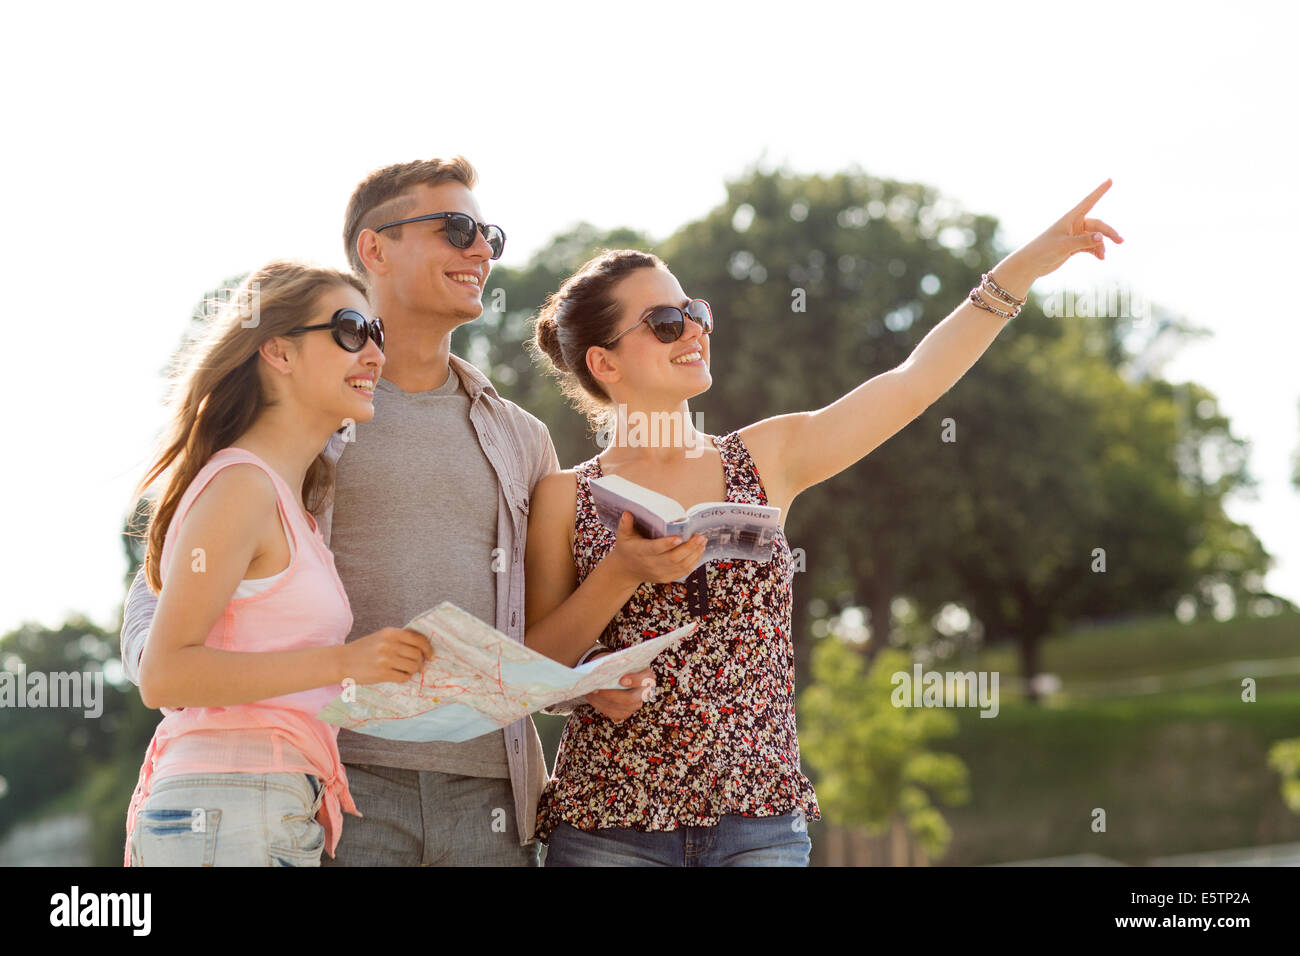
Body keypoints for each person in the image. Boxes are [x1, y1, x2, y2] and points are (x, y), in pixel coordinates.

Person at [525, 180, 1123, 866]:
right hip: (609, 827)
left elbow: (913, 381)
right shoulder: (562, 496)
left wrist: (1023, 268)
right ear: (603, 362)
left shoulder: (767, 456)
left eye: (695, 312)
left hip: (758, 825)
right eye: (665, 322)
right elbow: (537, 675)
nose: (694, 330)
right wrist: (621, 574)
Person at [120, 156, 654, 866]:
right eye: (456, 228)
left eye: (488, 234)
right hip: (336, 786)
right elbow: (160, 610)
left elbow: (531, 631)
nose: (481, 251)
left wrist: (580, 683)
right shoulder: (302, 428)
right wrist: (207, 707)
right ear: (374, 247)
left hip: (491, 791)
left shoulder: (521, 439)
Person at [125, 260, 434, 866]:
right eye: (350, 330)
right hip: (230, 804)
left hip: (259, 802)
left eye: (378, 333)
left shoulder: (287, 501)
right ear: (279, 352)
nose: (374, 353)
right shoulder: (243, 486)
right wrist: (346, 662)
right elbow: (165, 674)